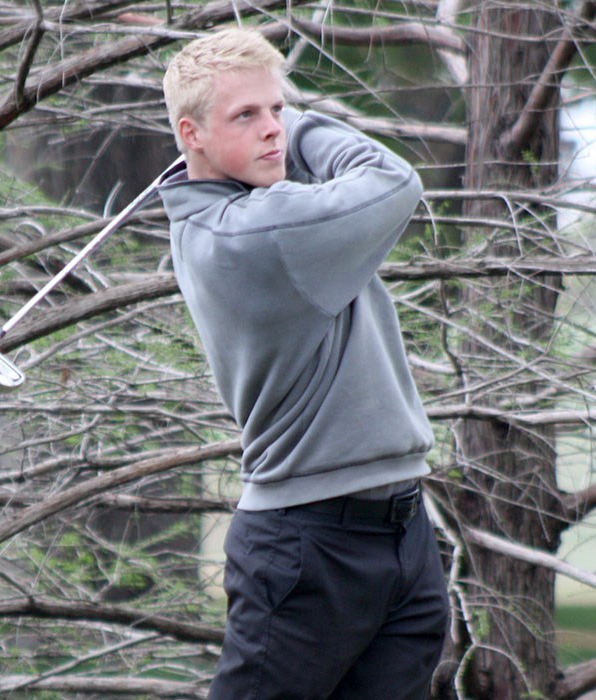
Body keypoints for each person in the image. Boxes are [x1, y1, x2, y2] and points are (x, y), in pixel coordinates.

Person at [159, 27, 449, 700]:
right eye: (246, 114)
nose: (272, 129)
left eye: (277, 109)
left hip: (400, 529)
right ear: (189, 134)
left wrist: (254, 120)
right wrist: (302, 122)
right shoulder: (256, 233)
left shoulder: (246, 208)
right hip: (309, 546)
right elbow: (391, 180)